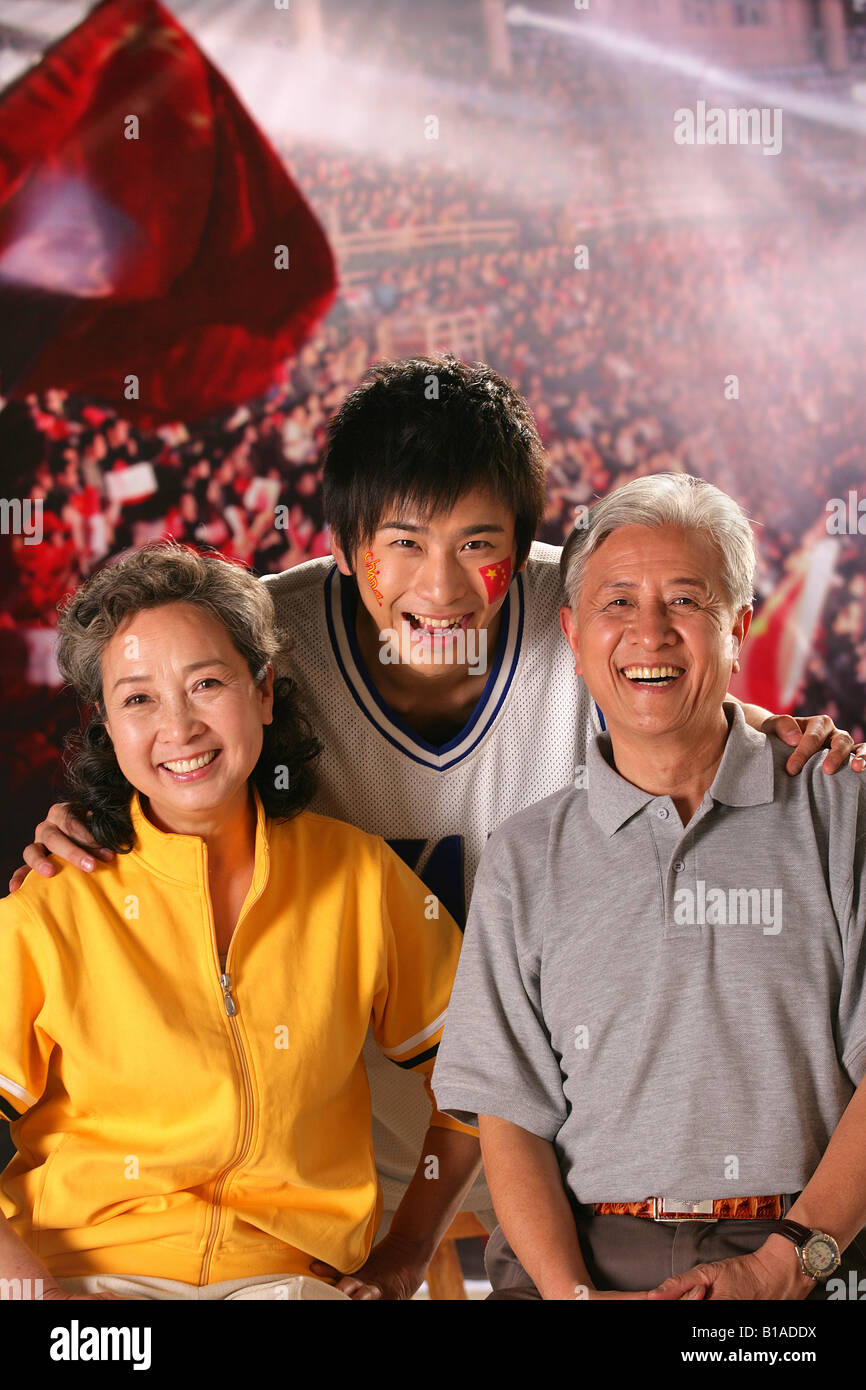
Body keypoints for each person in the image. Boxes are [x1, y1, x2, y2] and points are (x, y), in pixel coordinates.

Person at [8, 358, 865, 1274]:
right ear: (343, 548)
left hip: (583, 1166)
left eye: (476, 545)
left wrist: (780, 731)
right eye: (403, 545)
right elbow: (168, 721)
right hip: (339, 1189)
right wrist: (101, 817)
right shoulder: (263, 640)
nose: (443, 586)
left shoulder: (590, 610)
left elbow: (680, 671)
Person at [0, 543, 477, 1301]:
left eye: (207, 683)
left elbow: (483, 1078)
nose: (179, 727)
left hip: (287, 1282)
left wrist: (406, 1253)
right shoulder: (54, 901)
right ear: (108, 727)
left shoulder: (359, 877)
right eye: (138, 699)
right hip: (86, 1279)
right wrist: (29, 1290)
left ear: (262, 692)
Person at [432, 473, 866, 1300]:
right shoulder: (525, 854)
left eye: (686, 603)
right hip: (584, 1259)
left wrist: (788, 1263)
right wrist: (570, 1295)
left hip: (809, 1253)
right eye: (617, 603)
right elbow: (510, 1116)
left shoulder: (840, 809)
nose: (650, 634)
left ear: (738, 629)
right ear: (572, 631)